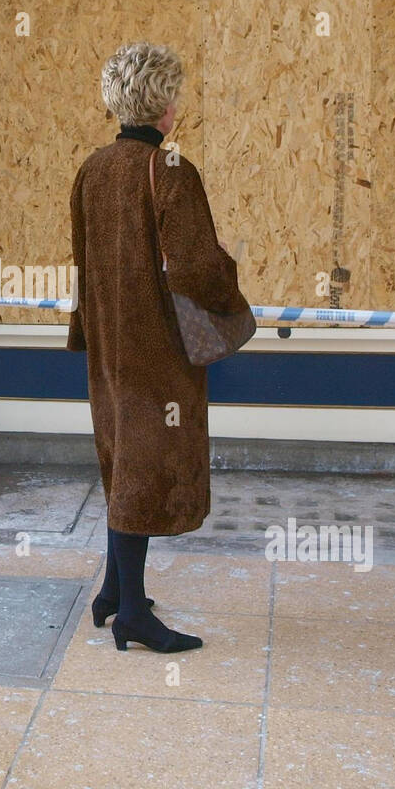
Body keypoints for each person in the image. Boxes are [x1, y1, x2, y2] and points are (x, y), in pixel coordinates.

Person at [67, 41, 248, 653]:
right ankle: (134, 616)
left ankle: (115, 593)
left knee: (123, 462)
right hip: (159, 351)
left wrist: (84, 332)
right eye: (174, 92)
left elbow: (83, 262)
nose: (178, 103)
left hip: (110, 346)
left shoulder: (92, 169)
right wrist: (231, 280)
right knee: (144, 474)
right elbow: (196, 267)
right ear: (163, 101)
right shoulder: (170, 170)